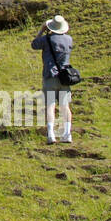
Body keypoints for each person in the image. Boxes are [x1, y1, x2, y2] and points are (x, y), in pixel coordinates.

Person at [32, 15, 74, 144]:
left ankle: (51, 134)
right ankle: (67, 134)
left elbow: (34, 44)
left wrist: (41, 30)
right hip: (64, 77)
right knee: (65, 106)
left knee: (50, 106)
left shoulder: (46, 39)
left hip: (50, 76)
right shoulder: (69, 39)